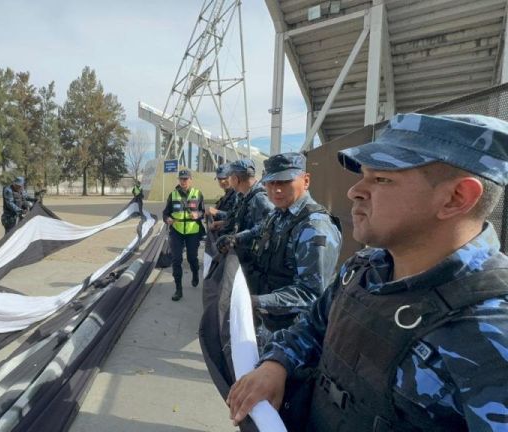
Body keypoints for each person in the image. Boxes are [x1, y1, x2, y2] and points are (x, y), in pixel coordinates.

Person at [227, 114, 508, 431]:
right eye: (364, 175)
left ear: (456, 197)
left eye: (382, 179)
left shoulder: (493, 332)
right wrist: (276, 363)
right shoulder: (365, 268)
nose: (355, 192)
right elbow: (312, 327)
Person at [239, 153, 342, 349]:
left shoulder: (314, 228)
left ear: (306, 181)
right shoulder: (280, 213)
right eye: (270, 183)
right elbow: (260, 229)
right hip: (272, 322)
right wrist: (236, 238)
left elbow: (311, 293)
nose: (276, 189)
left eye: (285, 182)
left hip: (297, 336)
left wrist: (257, 301)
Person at [162, 169, 205, 301]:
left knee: (192, 258)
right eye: (181, 179)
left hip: (193, 232)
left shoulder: (198, 194)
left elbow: (203, 211)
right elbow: (165, 213)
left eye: (186, 179)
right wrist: (167, 219)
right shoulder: (173, 194)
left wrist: (198, 214)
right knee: (176, 260)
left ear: (190, 179)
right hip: (177, 231)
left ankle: (195, 274)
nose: (183, 181)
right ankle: (178, 289)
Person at [206, 164, 239, 232]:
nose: (222, 181)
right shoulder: (227, 195)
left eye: (225, 178)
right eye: (219, 179)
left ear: (232, 177)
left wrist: (216, 212)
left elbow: (236, 217)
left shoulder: (237, 194)